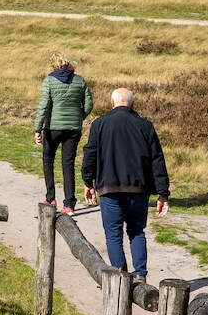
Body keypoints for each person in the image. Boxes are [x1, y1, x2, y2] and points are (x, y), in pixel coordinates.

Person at [81, 87, 170, 279]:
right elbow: (157, 160)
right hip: (139, 190)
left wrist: (88, 182)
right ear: (132, 104)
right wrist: (163, 193)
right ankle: (140, 274)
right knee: (137, 232)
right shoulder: (145, 126)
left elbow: (90, 155)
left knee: (113, 236)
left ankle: (121, 278)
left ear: (112, 103)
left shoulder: (100, 124)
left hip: (109, 189)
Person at [33, 55, 92, 214]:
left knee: (48, 159)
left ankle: (50, 197)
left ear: (53, 66)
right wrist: (78, 118)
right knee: (68, 163)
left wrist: (37, 129)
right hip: (73, 129)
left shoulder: (49, 81)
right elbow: (88, 105)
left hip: (52, 128)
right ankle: (69, 204)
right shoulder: (80, 80)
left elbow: (43, 107)